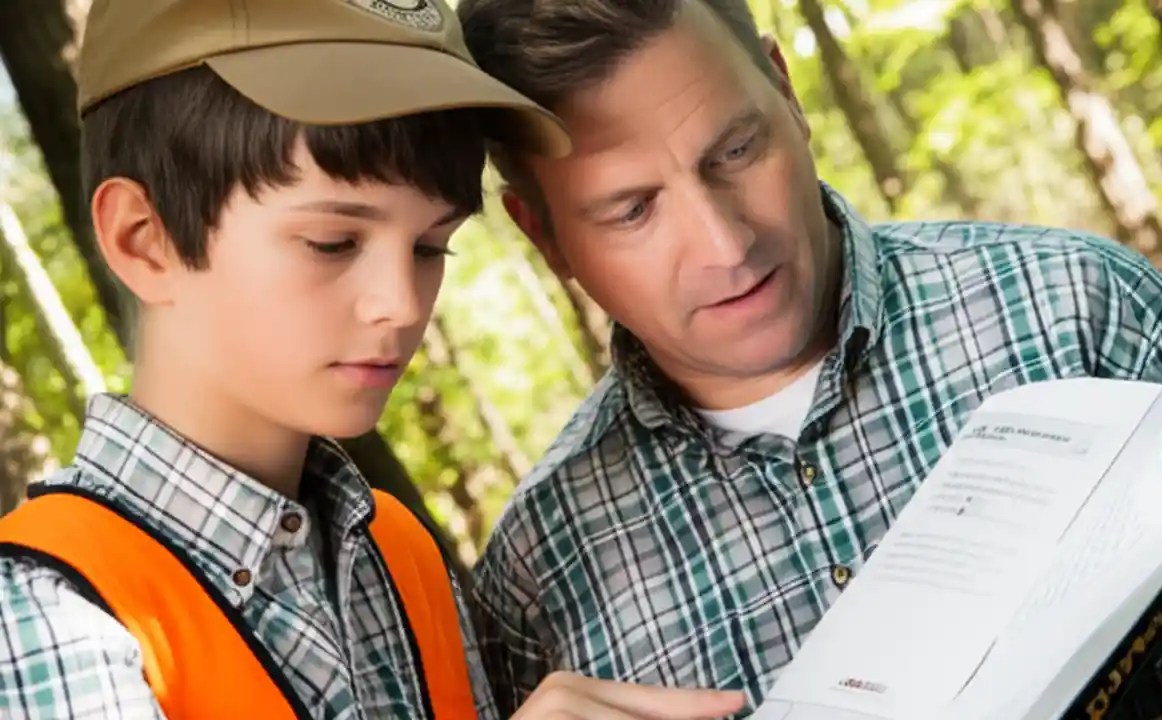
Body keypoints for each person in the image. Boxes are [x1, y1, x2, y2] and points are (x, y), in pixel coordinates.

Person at [454, 0, 1162, 718]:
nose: (725, 243)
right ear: (544, 236)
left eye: (736, 151)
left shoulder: (1080, 305)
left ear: (784, 87)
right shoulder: (536, 576)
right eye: (633, 210)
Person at [0, 1, 750, 719]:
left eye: (430, 247)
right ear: (143, 238)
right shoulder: (46, 617)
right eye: (332, 242)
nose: (403, 302)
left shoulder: (399, 559)